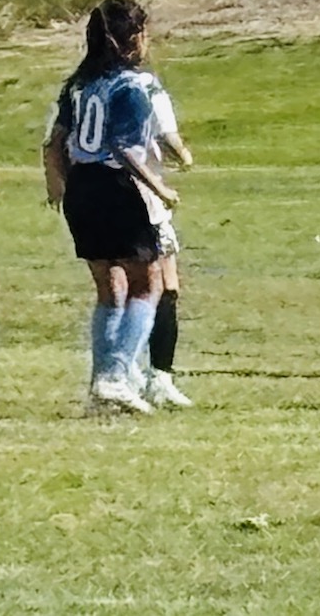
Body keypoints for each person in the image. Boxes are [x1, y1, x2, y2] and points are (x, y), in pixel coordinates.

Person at [47, 0, 178, 415]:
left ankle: (102, 383)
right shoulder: (133, 86)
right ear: (132, 39)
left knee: (109, 288)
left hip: (81, 188)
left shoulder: (78, 84)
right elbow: (125, 148)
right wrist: (159, 188)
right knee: (147, 282)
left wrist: (59, 184)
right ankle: (117, 374)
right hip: (115, 186)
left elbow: (56, 140)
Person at [135, 56, 198, 409]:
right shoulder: (145, 84)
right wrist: (185, 156)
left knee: (117, 286)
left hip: (92, 193)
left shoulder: (82, 84)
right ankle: (157, 376)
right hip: (143, 196)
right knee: (163, 286)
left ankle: (118, 371)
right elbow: (166, 133)